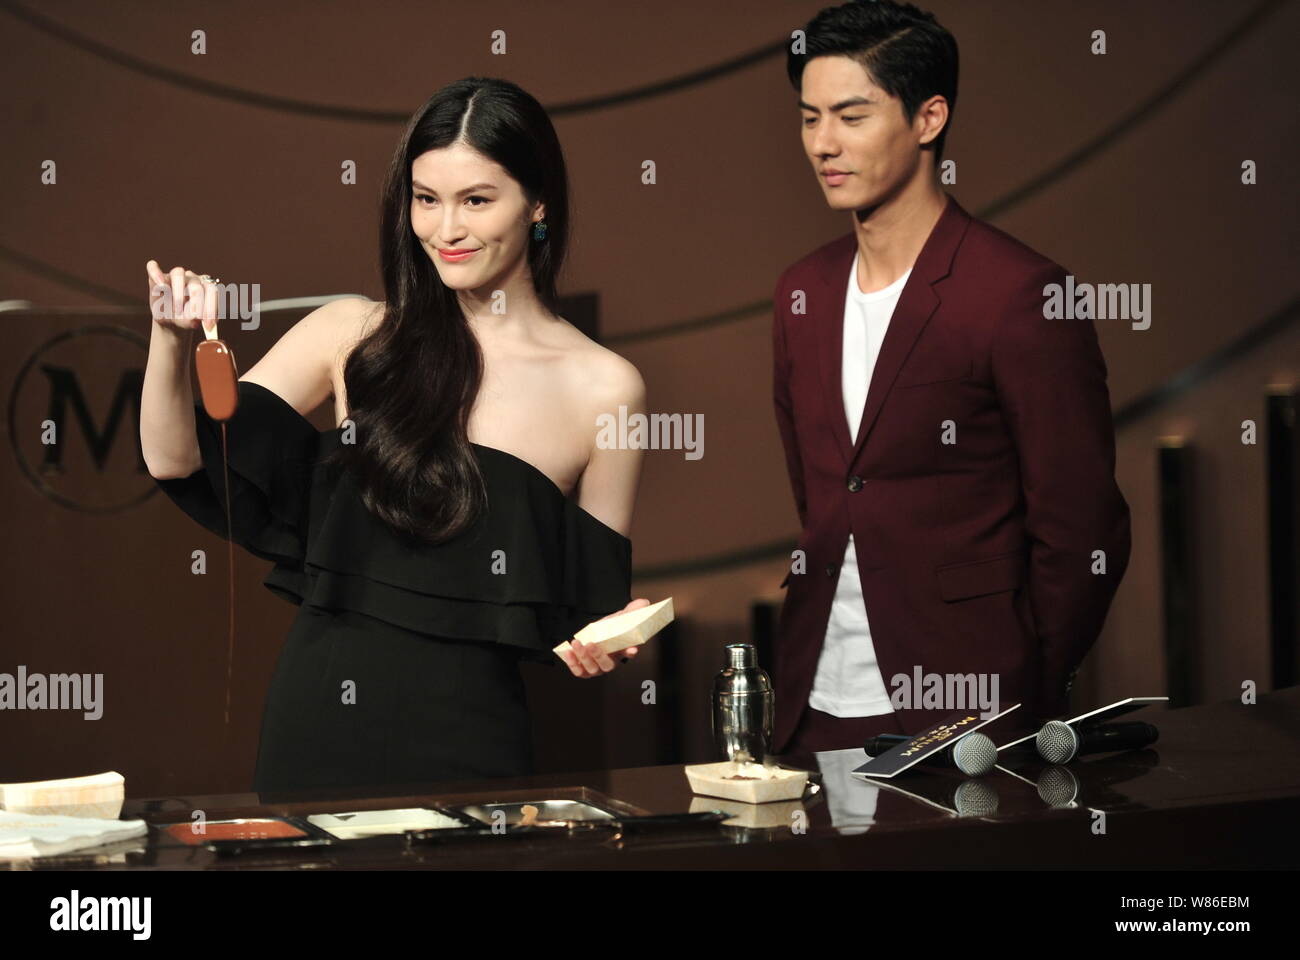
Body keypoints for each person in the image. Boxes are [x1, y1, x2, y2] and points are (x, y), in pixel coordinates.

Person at [141, 76, 649, 794]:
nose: (447, 229)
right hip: (318, 722)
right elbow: (174, 458)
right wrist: (168, 340)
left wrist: (611, 639)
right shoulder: (354, 333)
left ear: (538, 204)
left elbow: (589, 615)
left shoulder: (607, 388)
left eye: (476, 199)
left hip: (476, 740)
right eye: (426, 198)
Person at [771, 1, 1131, 755]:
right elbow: (826, 493)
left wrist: (1023, 685)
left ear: (929, 118)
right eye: (809, 118)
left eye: (851, 115)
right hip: (813, 702)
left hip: (968, 709)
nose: (822, 144)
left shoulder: (1017, 292)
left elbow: (1081, 526)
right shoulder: (801, 293)